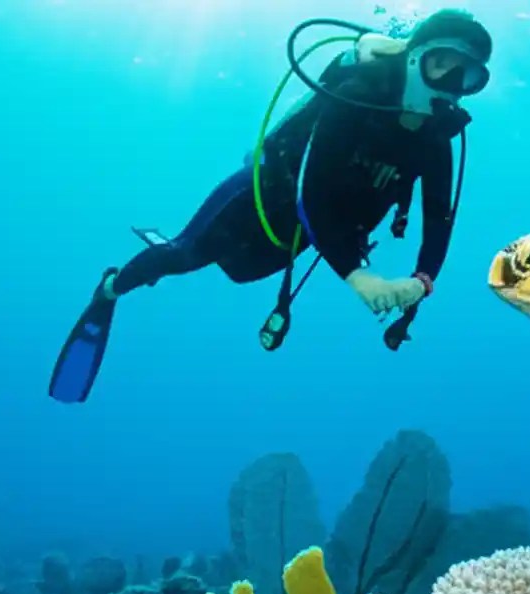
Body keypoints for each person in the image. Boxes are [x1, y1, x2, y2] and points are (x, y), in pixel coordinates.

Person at [48, 9, 493, 403]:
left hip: (313, 233)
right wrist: (357, 275)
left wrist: (423, 279)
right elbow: (311, 191)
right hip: (262, 195)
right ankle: (111, 289)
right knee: (184, 256)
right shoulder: (356, 95)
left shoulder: (436, 142)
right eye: (442, 65)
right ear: (414, 57)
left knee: (243, 272)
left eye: (467, 76)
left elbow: (439, 217)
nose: (451, 85)